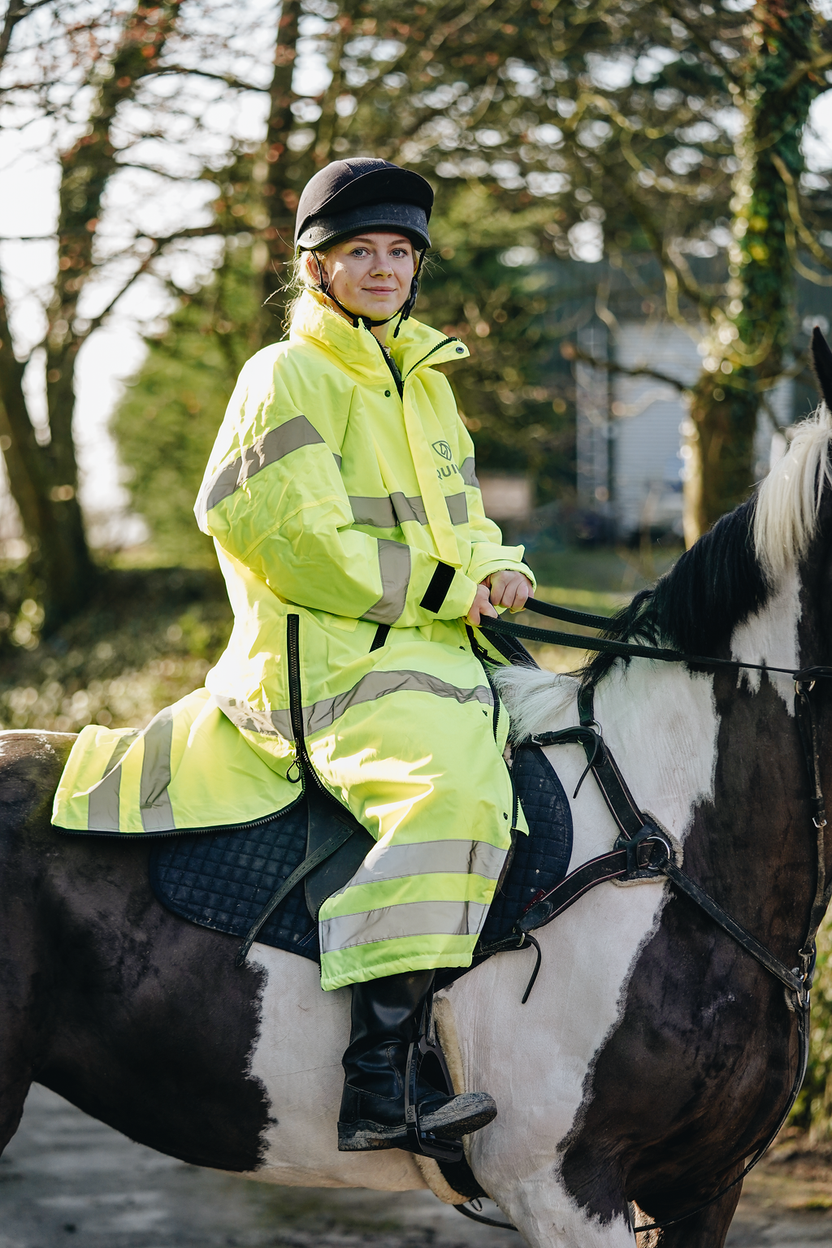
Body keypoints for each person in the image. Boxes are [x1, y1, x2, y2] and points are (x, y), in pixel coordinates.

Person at [53, 157, 534, 1155]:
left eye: (399, 252)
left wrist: (498, 568)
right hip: (330, 678)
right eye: (359, 251)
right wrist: (449, 589)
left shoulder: (426, 382)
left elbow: (465, 519)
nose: (383, 268)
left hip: (438, 658)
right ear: (314, 268)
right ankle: (379, 1084)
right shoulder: (283, 377)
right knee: (450, 796)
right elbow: (302, 545)